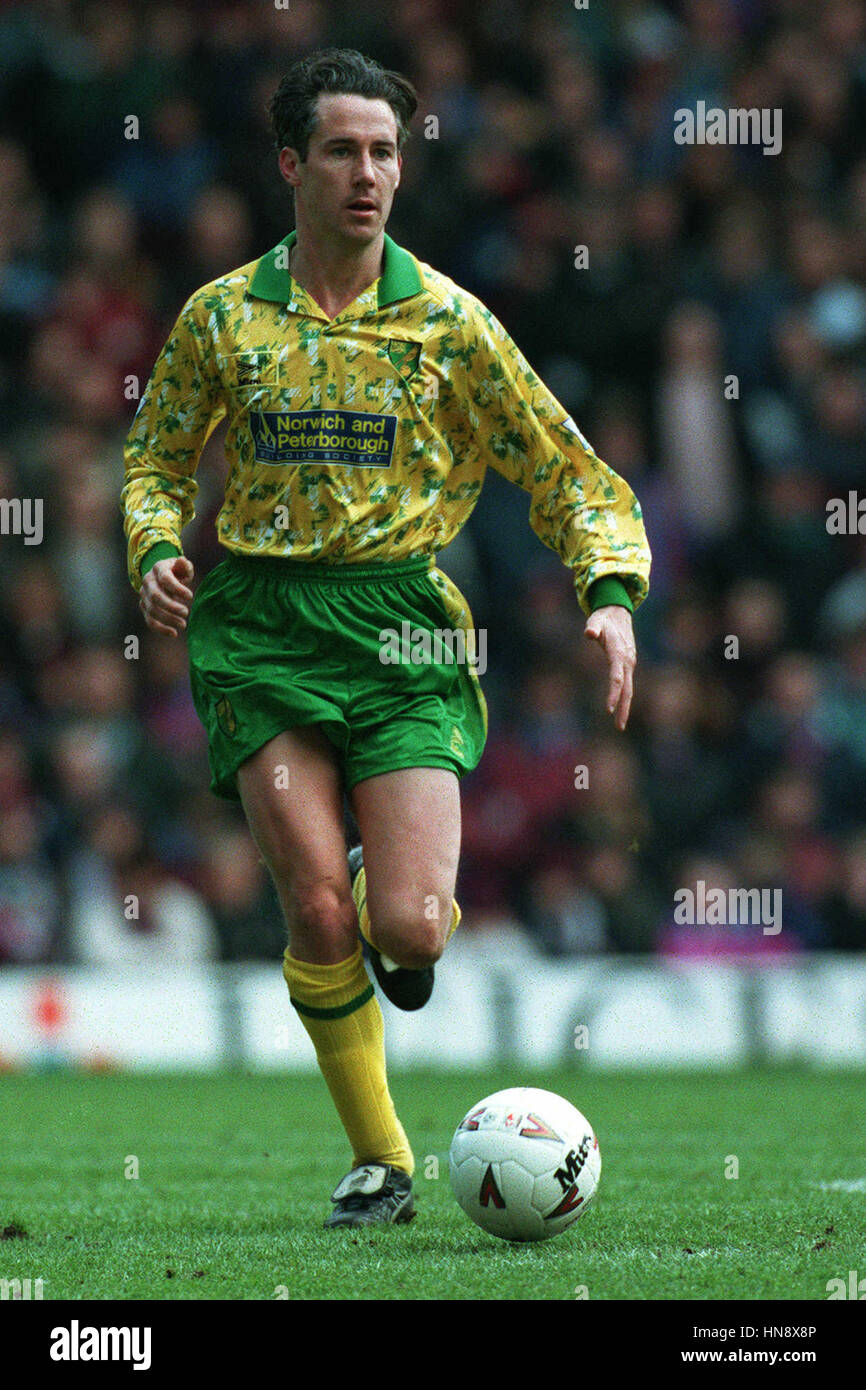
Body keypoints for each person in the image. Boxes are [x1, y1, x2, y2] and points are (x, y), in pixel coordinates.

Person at [121, 48, 651, 1229]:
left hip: (402, 629)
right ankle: (382, 1161)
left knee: (407, 927)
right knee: (312, 906)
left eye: (385, 153)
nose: (367, 174)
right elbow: (155, 454)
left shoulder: (450, 322)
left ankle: (391, 903)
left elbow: (562, 470)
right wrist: (154, 543)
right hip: (256, 624)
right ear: (290, 165)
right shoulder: (220, 316)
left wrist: (606, 588)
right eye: (344, 151)